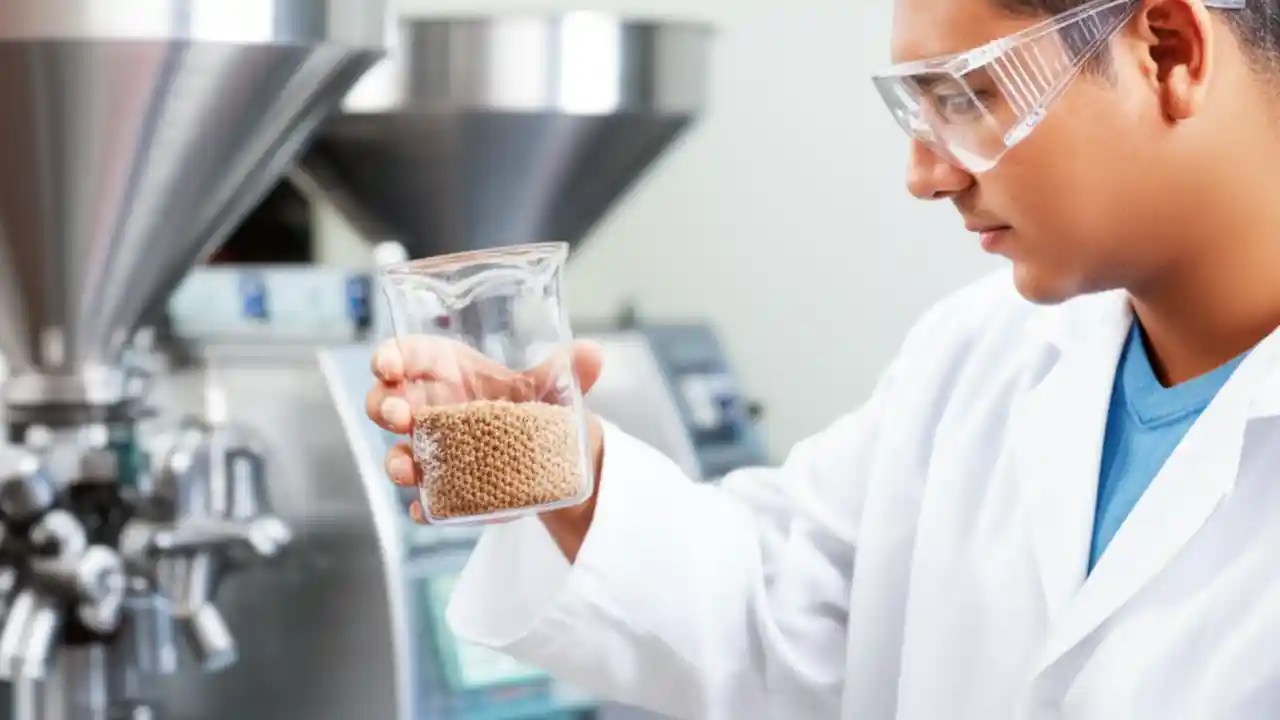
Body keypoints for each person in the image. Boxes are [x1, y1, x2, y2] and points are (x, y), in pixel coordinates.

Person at [366, 0, 1280, 716]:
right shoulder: (981, 355)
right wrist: (577, 474)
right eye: (916, 112)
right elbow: (787, 615)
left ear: (1167, 50)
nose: (927, 174)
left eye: (967, 99)